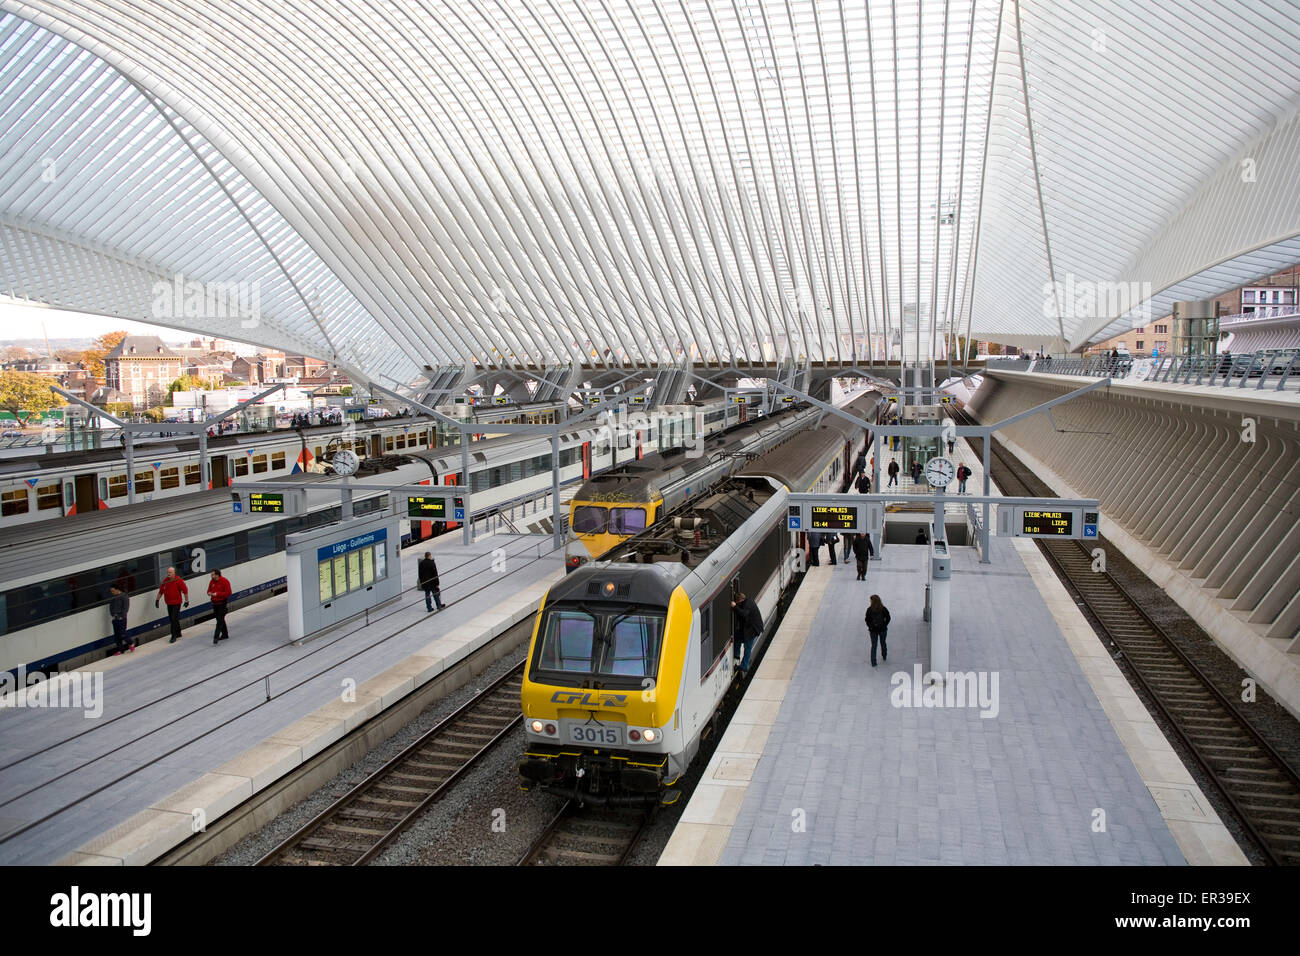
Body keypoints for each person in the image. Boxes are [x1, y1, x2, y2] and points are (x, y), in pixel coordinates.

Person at [731, 592, 763, 676]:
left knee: (747, 647)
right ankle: (737, 655)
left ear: (740, 600)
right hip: (749, 628)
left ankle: (744, 666)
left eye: (738, 603)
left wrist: (734, 607)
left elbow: (744, 614)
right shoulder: (747, 601)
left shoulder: (747, 604)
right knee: (737, 638)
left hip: (752, 630)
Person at [155, 566, 189, 643]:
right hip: (169, 603)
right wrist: (157, 600)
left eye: (170, 572)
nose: (168, 574)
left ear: (174, 573)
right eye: (168, 572)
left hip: (177, 603)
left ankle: (173, 636)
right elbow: (161, 592)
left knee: (173, 619)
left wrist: (186, 600)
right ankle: (178, 632)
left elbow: (185, 590)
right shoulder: (165, 581)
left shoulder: (178, 580)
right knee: (172, 619)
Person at [865, 594, 891, 667]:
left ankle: (873, 662)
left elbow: (867, 619)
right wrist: (885, 624)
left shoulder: (869, 610)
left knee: (874, 645)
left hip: (873, 631)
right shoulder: (883, 608)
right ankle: (884, 655)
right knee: (883, 643)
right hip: (883, 629)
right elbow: (888, 617)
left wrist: (870, 627)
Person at [207, 570, 232, 644]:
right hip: (215, 604)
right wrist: (209, 593)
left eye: (212, 575)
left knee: (220, 620)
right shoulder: (212, 582)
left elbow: (228, 593)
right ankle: (225, 634)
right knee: (219, 619)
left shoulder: (224, 581)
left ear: (217, 575)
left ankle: (216, 637)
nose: (211, 576)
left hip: (222, 603)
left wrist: (217, 594)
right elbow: (209, 590)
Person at [109, 586, 132, 654]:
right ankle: (121, 650)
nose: (112, 592)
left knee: (122, 633)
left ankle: (131, 643)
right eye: (111, 591)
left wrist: (122, 616)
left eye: (113, 591)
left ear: (117, 589)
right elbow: (111, 607)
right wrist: (112, 615)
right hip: (115, 618)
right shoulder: (113, 597)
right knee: (117, 635)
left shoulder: (124, 596)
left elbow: (125, 607)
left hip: (121, 618)